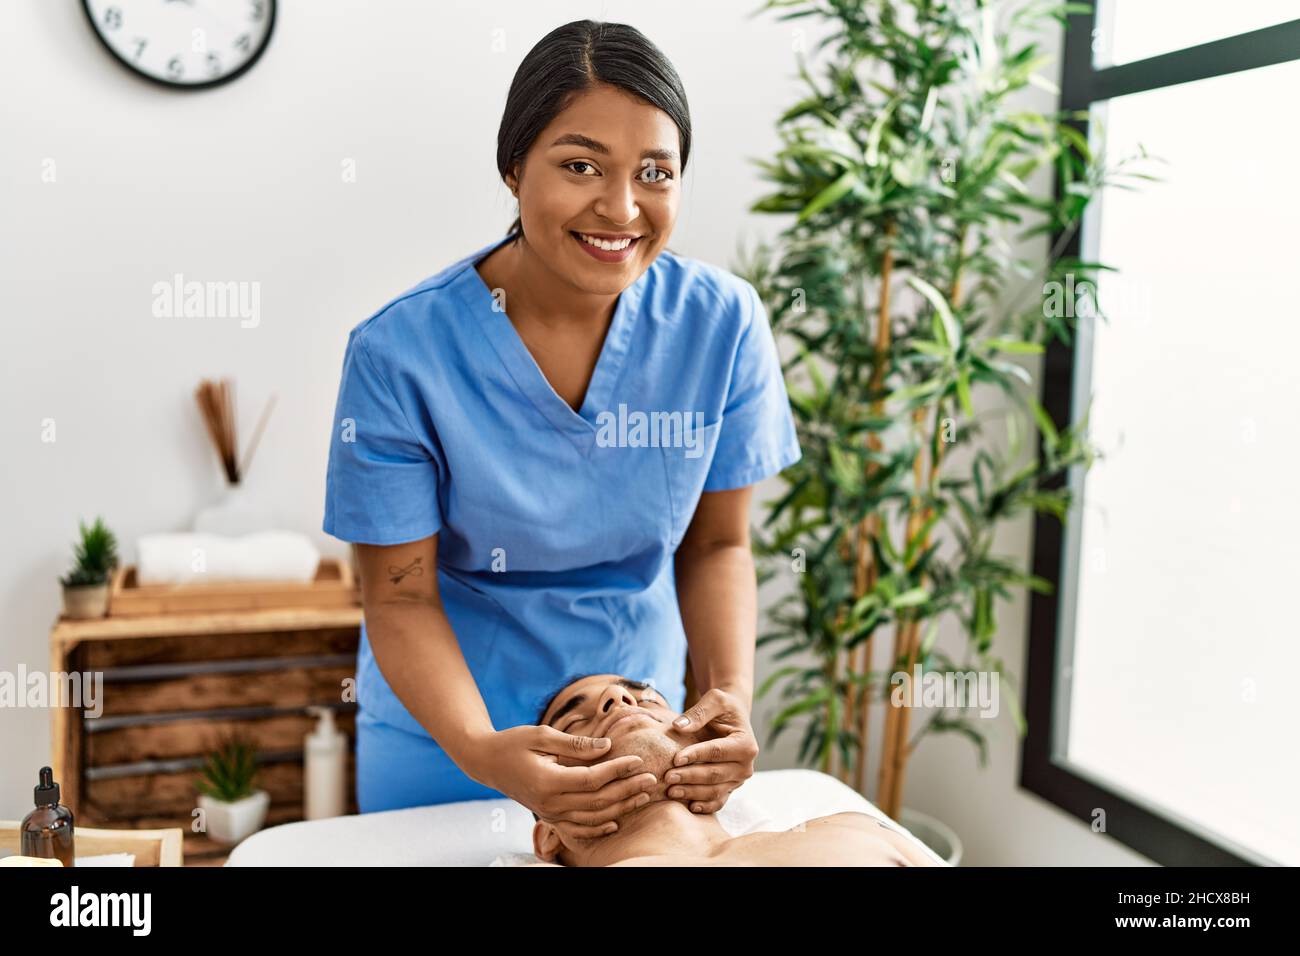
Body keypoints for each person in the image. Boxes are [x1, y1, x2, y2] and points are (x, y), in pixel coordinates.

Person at [321, 19, 801, 838]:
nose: (620, 207)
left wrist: (728, 698)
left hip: (639, 740)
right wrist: (482, 748)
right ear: (514, 169)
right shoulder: (401, 354)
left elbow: (719, 546)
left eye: (656, 172)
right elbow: (398, 595)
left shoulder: (721, 325)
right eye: (580, 165)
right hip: (451, 742)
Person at [526, 674, 941, 866]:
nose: (617, 698)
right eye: (573, 723)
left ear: (711, 744)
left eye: (647, 697)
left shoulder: (853, 829)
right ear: (549, 836)